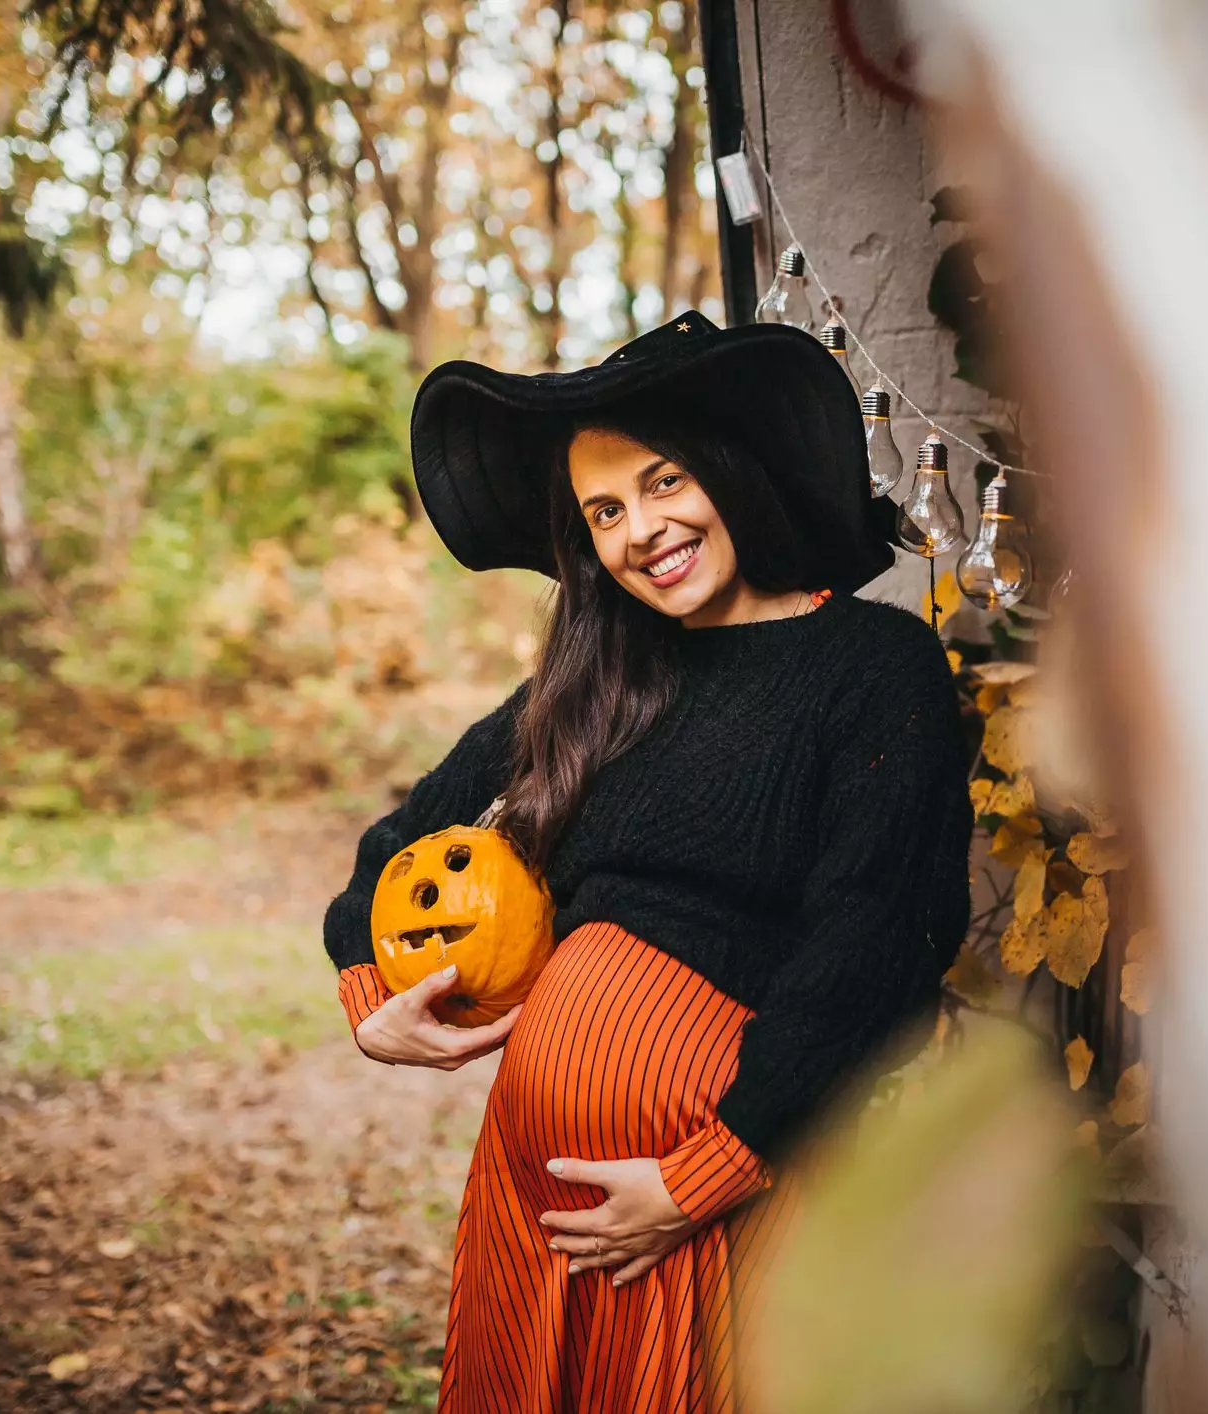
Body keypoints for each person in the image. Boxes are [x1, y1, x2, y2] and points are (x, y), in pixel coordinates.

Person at [322, 310, 973, 1412]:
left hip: (710, 1193)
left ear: (730, 472)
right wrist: (368, 985)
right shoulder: (600, 681)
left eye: (665, 483)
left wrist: (705, 1172)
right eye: (605, 511)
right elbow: (397, 849)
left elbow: (873, 948)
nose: (642, 530)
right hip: (542, 1203)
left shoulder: (872, 665)